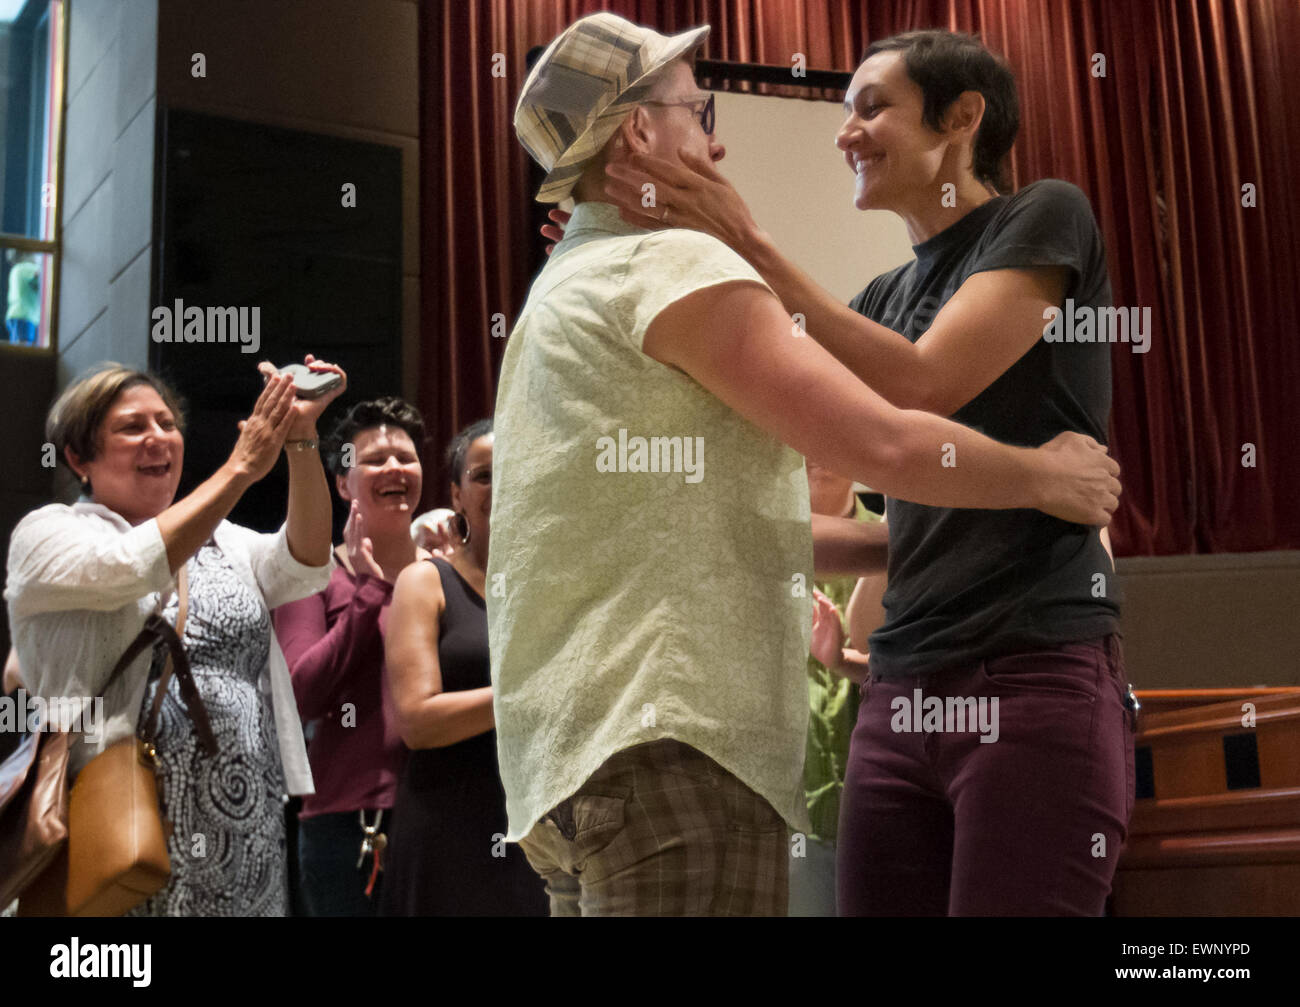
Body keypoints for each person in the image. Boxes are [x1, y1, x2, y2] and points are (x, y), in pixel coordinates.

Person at [491, 13, 1119, 917]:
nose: (843, 130)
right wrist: (1040, 477)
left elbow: (918, 393)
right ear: (637, 130)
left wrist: (713, 246)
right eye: (698, 110)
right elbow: (890, 442)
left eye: (873, 107)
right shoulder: (729, 278)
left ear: (963, 118)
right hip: (884, 681)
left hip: (1027, 663)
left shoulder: (1043, 214)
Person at [5, 357, 342, 916]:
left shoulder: (224, 538)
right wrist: (240, 468)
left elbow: (305, 563)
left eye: (166, 423)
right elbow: (129, 567)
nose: (157, 439)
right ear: (77, 457)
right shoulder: (48, 534)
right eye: (132, 427)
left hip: (245, 817)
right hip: (122, 812)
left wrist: (301, 440)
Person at [380, 420, 546, 916]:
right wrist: (531, 696)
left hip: (542, 830)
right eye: (484, 475)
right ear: (456, 493)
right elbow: (417, 720)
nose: (502, 485)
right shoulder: (425, 582)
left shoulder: (554, 588)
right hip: (445, 827)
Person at [274, 397, 427, 916]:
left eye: (405, 458)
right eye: (376, 460)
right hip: (347, 824)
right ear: (342, 484)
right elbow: (301, 695)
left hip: (447, 815)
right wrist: (367, 595)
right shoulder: (311, 576)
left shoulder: (448, 573)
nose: (394, 469)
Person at [790, 461, 884, 917]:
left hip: (887, 811)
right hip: (786, 823)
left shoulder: (897, 539)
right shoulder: (754, 541)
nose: (813, 447)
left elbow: (923, 672)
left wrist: (844, 660)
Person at [5, 251, 40, 346]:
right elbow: (42, 273)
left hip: (19, 314)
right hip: (24, 315)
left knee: (19, 349)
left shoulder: (16, 269)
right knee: (22, 347)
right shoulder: (25, 267)